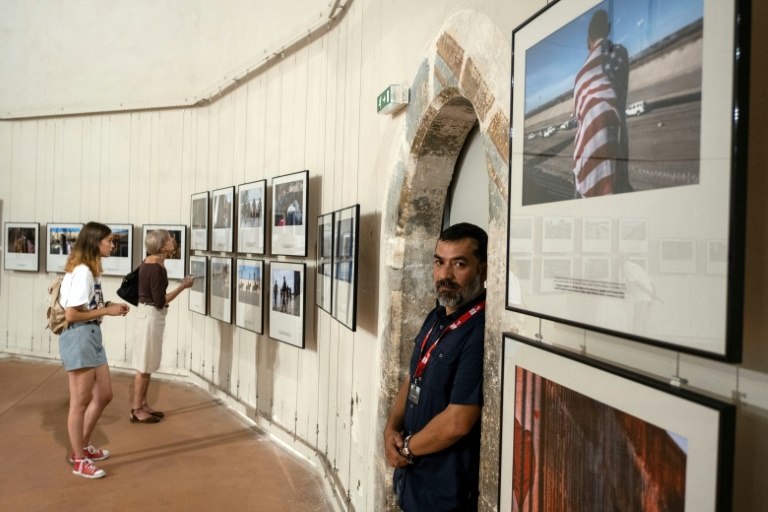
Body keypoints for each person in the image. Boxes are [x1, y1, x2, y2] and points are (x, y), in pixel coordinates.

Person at [383, 223, 488, 511]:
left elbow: (458, 421)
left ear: (484, 270)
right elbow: (413, 375)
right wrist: (391, 428)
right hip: (412, 478)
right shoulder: (437, 315)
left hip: (443, 491)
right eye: (439, 262)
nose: (445, 275)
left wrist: (405, 447)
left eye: (459, 264)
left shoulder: (479, 331)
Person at [59, 222, 131, 479]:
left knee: (105, 395)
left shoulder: (91, 271)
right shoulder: (83, 272)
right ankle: (79, 459)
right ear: (95, 242)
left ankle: (83, 447)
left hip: (91, 335)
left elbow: (87, 304)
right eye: (109, 241)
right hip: (79, 337)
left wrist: (110, 304)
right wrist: (107, 311)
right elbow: (72, 314)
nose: (113, 245)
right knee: (80, 402)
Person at [131, 229, 194, 423]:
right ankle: (136, 410)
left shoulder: (150, 263)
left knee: (147, 363)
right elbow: (160, 301)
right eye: (168, 239)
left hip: (148, 316)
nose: (172, 240)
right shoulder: (156, 268)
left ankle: (142, 404)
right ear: (161, 246)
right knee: (144, 365)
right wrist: (183, 287)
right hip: (151, 316)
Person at [572, 8, 631, 197]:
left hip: (584, 163)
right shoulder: (619, 54)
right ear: (609, 29)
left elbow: (579, 117)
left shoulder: (580, 76)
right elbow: (618, 97)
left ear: (587, 41)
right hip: (614, 154)